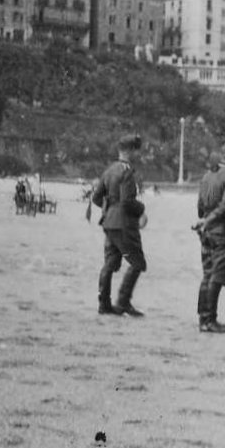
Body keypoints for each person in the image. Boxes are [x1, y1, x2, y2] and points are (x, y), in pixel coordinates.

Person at [91, 134, 147, 316]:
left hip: (108, 222)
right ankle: (123, 302)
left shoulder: (109, 170)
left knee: (109, 263)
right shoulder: (127, 171)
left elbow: (96, 198)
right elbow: (128, 201)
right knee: (137, 262)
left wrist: (110, 208)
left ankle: (104, 304)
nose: (138, 155)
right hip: (124, 224)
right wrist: (142, 210)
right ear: (130, 151)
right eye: (136, 151)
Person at [194, 142, 225, 334]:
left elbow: (199, 205)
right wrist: (212, 220)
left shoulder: (207, 175)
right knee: (217, 276)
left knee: (207, 274)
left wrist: (205, 220)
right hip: (223, 230)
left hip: (206, 230)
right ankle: (211, 319)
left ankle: (203, 318)